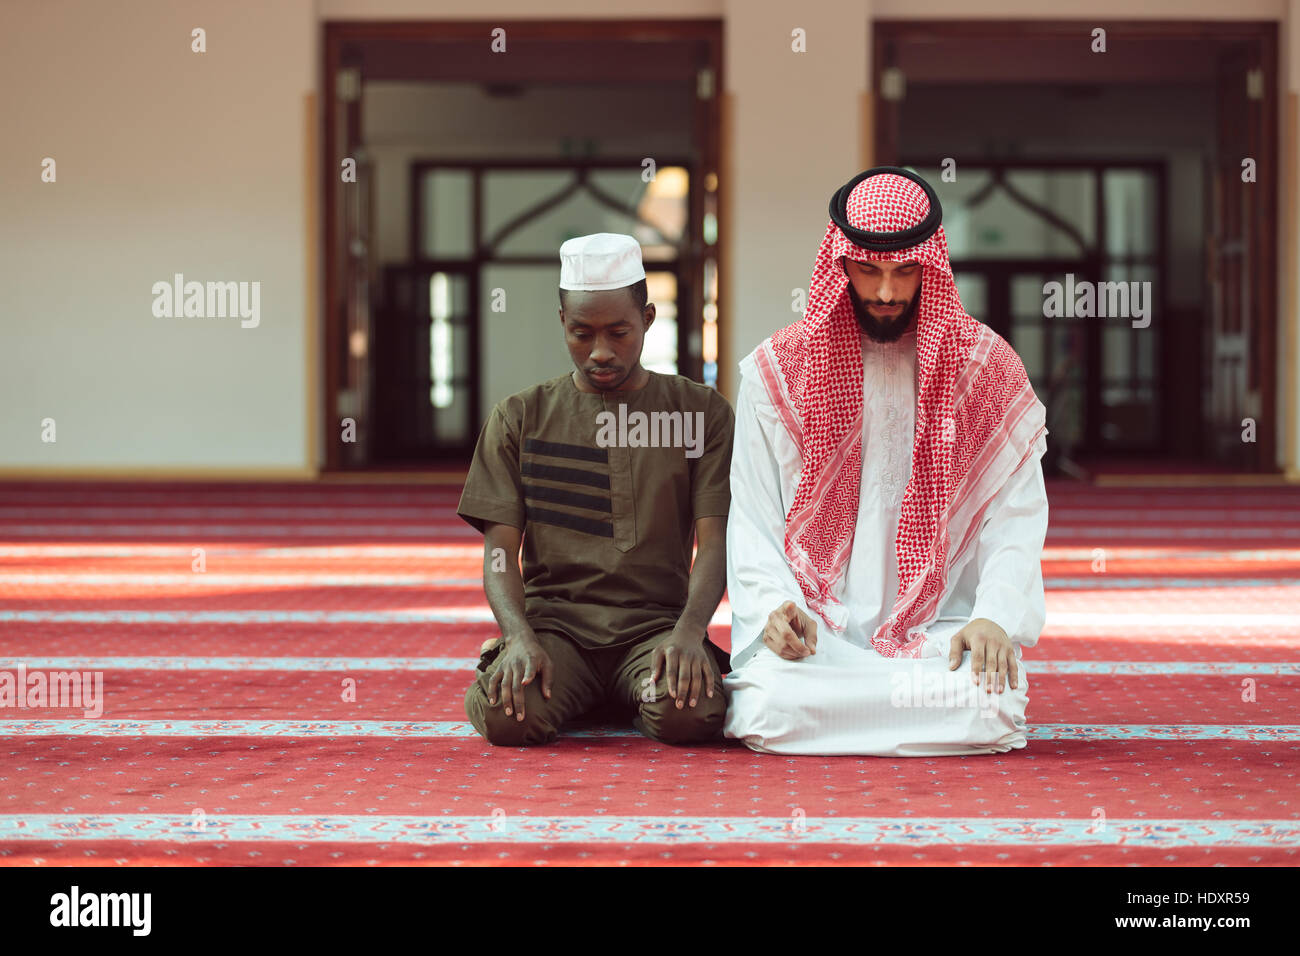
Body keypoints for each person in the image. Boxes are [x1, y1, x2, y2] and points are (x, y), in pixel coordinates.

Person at [723, 167, 1050, 756]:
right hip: (818, 633)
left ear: (932, 264)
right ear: (840, 264)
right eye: (868, 270)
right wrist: (775, 608)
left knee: (987, 703)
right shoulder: (778, 373)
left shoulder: (985, 367)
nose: (885, 293)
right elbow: (751, 516)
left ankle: (858, 715)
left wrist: (995, 616)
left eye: (905, 271)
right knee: (769, 706)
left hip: (939, 631)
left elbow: (1016, 516)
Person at [458, 232, 735, 746]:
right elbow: (500, 552)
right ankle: (568, 684)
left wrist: (690, 632)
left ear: (649, 319)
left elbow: (714, 541)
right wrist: (518, 637)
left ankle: (620, 693)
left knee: (689, 712)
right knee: (508, 717)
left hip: (655, 629)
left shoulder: (701, 413)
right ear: (562, 321)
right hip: (556, 629)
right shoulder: (520, 417)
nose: (601, 352)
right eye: (582, 333)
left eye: (619, 332)